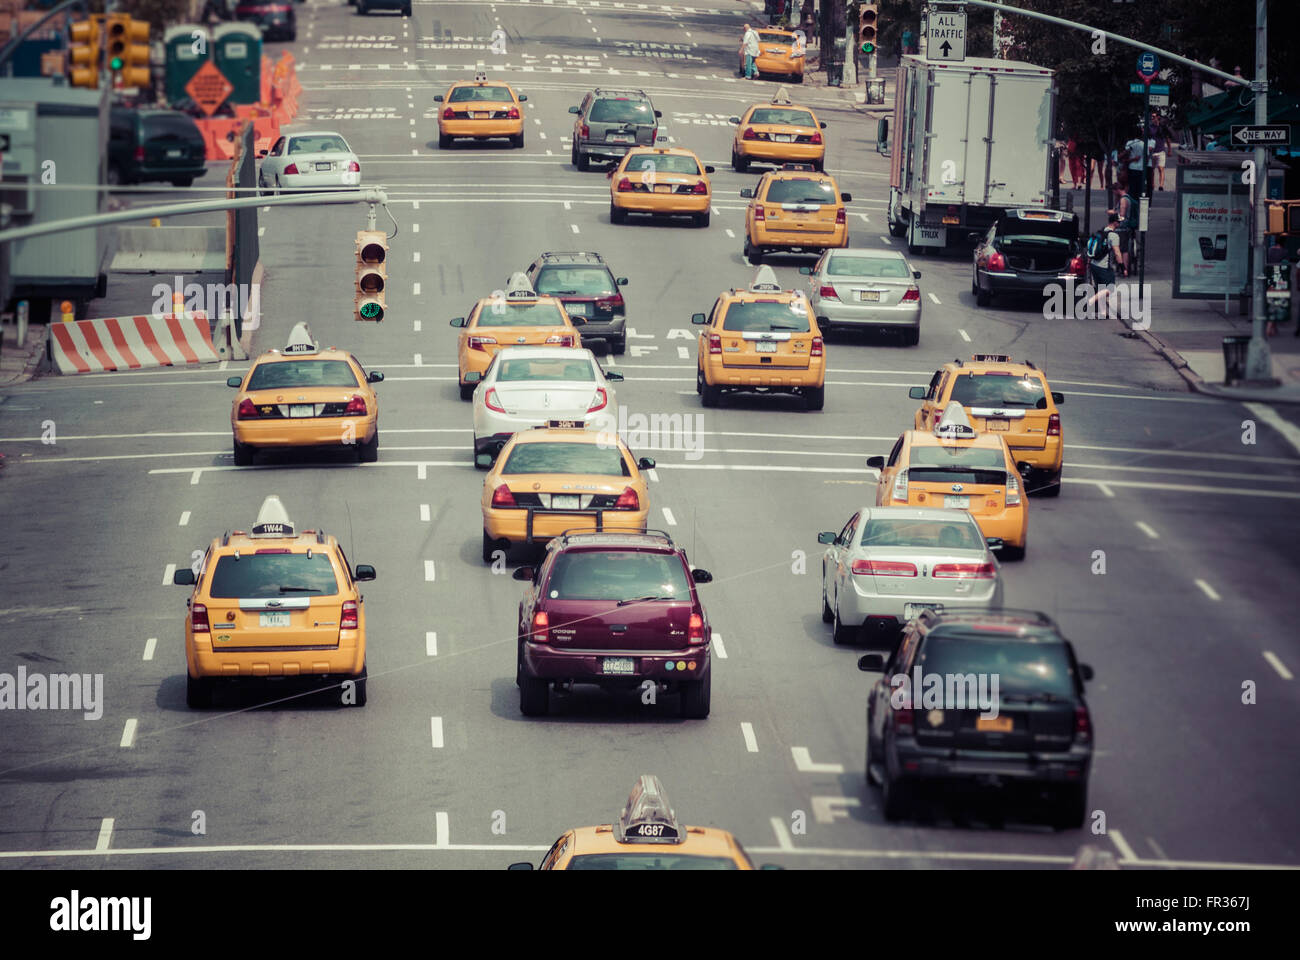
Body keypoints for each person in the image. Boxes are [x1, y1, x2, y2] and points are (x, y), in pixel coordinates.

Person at [1085, 214, 1123, 316]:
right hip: (1104, 267)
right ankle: (1091, 301)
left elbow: (1091, 249)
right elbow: (1117, 252)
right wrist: (1122, 266)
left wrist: (1088, 263)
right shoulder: (1113, 236)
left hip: (1094, 265)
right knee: (1110, 289)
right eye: (1119, 221)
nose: (1120, 223)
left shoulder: (1100, 232)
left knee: (1101, 288)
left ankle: (1102, 312)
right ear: (1114, 222)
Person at [1110, 184, 1137, 278]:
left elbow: (1122, 214)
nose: (1114, 194)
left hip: (1122, 228)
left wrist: (1113, 213)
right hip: (1127, 228)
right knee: (1124, 249)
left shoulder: (1123, 200)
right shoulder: (1128, 198)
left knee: (1122, 249)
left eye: (1114, 191)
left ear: (1117, 190)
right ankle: (1124, 269)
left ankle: (1124, 270)